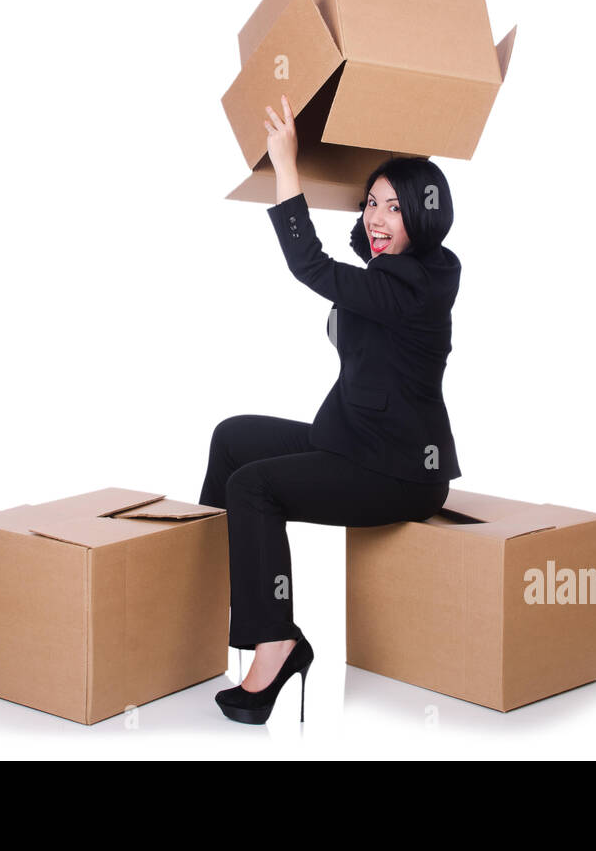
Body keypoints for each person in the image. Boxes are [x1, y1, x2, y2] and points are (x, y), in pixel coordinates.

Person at [202, 94, 463, 724]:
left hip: (400, 472)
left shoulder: (420, 280)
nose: (377, 218)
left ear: (425, 217)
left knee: (255, 486)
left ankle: (277, 643)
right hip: (354, 443)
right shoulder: (387, 273)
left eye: (395, 208)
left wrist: (286, 163)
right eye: (371, 202)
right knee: (233, 437)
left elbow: (309, 265)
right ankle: (208, 613)